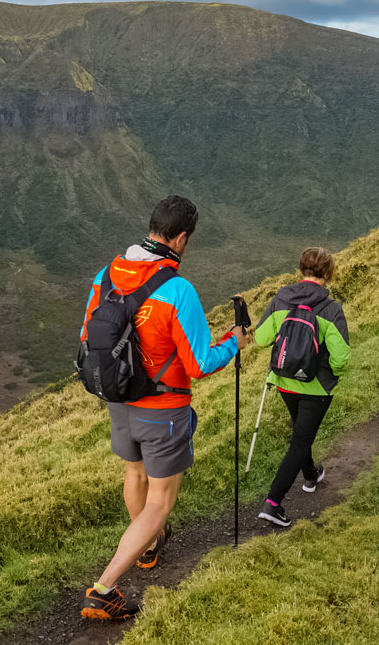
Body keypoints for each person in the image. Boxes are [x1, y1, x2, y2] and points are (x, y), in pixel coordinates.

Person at [79, 195, 246, 621]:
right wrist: (234, 342)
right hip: (164, 411)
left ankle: (149, 546)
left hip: (119, 400)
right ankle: (104, 588)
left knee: (133, 474)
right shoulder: (178, 291)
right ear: (182, 238)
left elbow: (88, 334)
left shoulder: (108, 273)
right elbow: (200, 364)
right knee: (160, 503)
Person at [252, 247, 350, 527]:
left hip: (284, 381)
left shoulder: (280, 300)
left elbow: (260, 338)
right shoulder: (331, 309)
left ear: (302, 270)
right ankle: (272, 503)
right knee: (300, 441)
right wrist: (336, 375)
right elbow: (341, 357)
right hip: (316, 388)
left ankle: (311, 474)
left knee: (300, 434)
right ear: (328, 274)